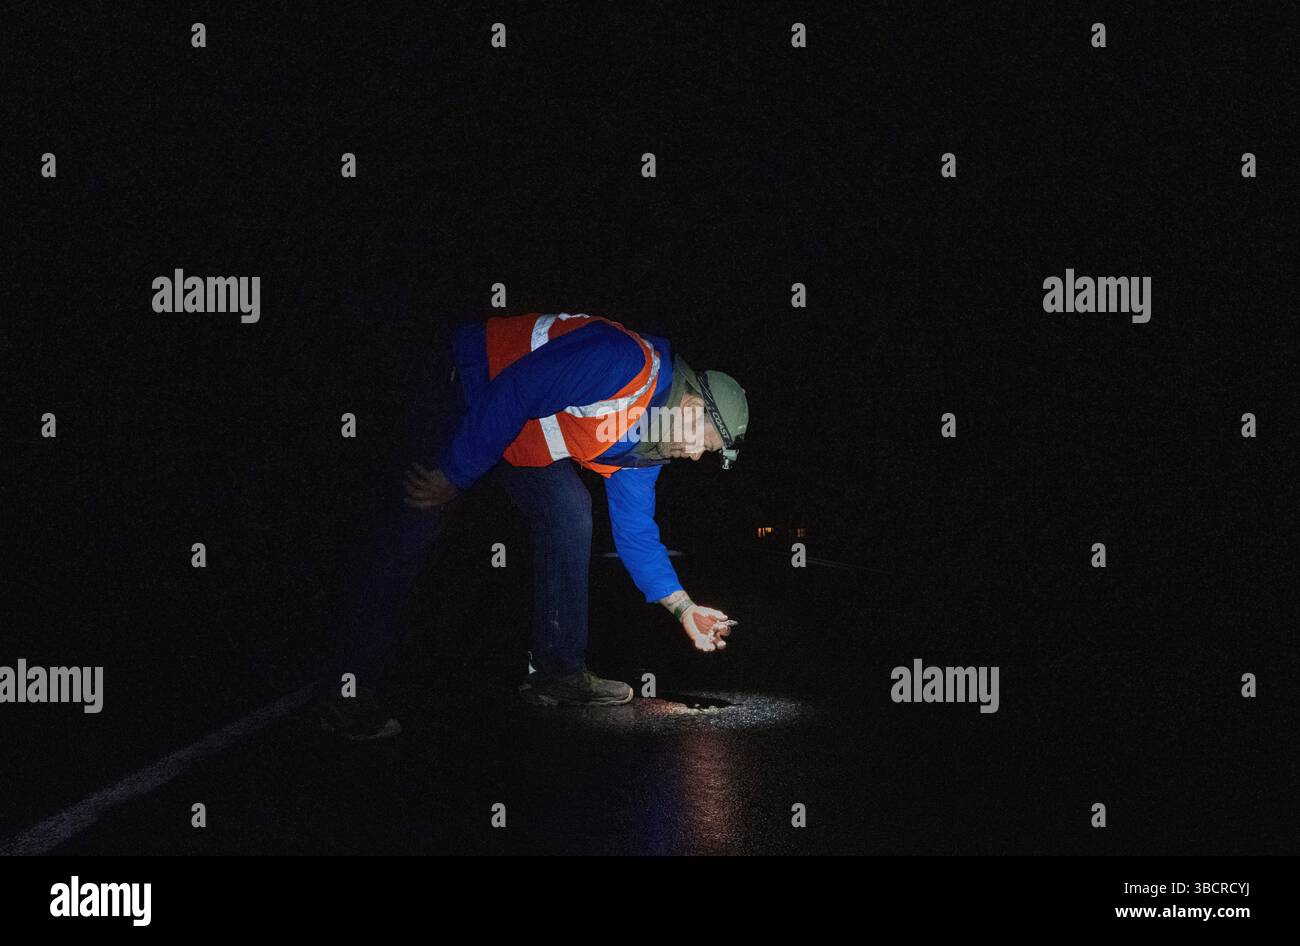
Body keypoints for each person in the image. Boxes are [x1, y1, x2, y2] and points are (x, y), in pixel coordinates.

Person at [318, 311, 749, 739]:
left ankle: (556, 672)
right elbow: (517, 388)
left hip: (518, 429)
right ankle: (347, 692)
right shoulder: (621, 361)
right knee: (417, 519)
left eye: (705, 453)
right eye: (702, 443)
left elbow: (636, 531)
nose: (694, 457)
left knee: (569, 511)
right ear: (692, 404)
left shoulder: (647, 449)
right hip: (469, 383)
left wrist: (684, 608)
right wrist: (455, 473)